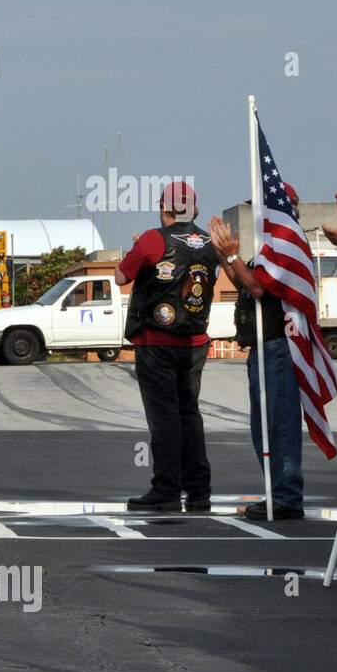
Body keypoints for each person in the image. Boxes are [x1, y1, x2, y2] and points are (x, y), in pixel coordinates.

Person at [115, 181, 220, 511]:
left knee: (164, 417)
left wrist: (135, 251)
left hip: (156, 341)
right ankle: (199, 488)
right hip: (194, 341)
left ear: (164, 208)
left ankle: (166, 488)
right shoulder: (210, 242)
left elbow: (121, 277)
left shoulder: (152, 239)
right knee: (189, 413)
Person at [210, 202, 304, 521]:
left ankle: (287, 496)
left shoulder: (286, 249)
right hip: (260, 347)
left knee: (280, 423)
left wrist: (233, 253)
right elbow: (242, 284)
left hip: (278, 345)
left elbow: (258, 287)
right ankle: (277, 491)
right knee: (262, 427)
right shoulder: (265, 253)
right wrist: (223, 254)